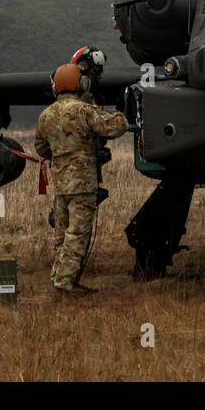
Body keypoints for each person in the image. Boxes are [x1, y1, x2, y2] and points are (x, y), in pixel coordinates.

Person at [35, 60, 128, 297]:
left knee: (62, 234)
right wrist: (122, 111)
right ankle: (64, 285)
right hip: (82, 183)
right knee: (78, 234)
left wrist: (61, 152)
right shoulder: (84, 110)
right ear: (81, 83)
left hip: (61, 183)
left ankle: (62, 277)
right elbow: (114, 128)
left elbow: (41, 148)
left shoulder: (46, 115)